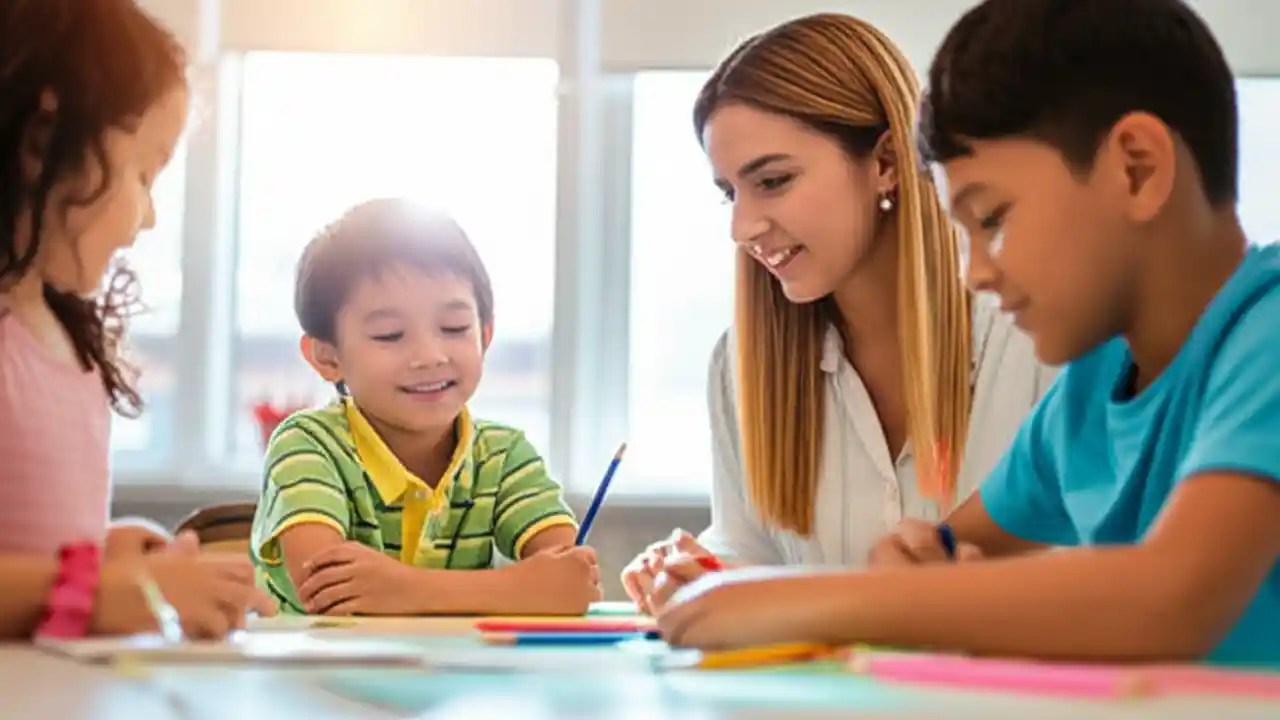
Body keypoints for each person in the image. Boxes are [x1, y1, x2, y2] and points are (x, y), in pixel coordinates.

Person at [653, 0, 1280, 668]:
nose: (976, 273)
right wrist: (910, 568)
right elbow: (932, 553)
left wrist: (809, 600)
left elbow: (1169, 599)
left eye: (995, 219)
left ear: (1137, 169)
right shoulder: (1088, 394)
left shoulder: (1266, 334)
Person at [621, 12, 1051, 613]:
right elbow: (751, 552)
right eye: (730, 193)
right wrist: (700, 571)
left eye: (772, 180)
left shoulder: (1033, 328)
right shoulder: (739, 364)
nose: (742, 227)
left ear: (884, 162)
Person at [0, 0, 272, 640]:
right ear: (44, 143)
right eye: (145, 175)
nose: (148, 217)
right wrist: (103, 590)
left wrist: (111, 553)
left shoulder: (64, 337)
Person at [250, 199, 601, 616]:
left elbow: (568, 580)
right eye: (390, 334)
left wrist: (404, 589)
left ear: (485, 336)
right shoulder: (308, 443)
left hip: (454, 676)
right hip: (316, 675)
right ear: (327, 358)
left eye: (454, 328)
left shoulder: (503, 454)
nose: (429, 356)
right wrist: (514, 588)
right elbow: (326, 587)